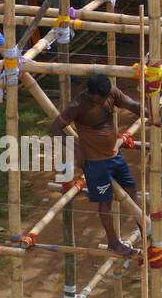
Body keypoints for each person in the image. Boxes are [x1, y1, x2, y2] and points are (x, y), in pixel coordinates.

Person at [52, 73, 142, 256]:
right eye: (102, 97)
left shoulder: (110, 93)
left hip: (115, 157)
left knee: (132, 191)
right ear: (92, 94)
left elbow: (131, 105)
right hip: (95, 164)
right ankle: (113, 242)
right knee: (105, 201)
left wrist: (149, 110)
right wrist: (77, 150)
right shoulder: (77, 106)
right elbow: (54, 128)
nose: (106, 99)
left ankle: (145, 229)